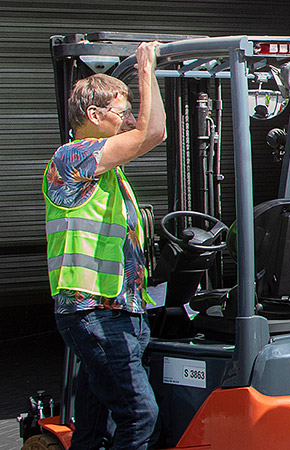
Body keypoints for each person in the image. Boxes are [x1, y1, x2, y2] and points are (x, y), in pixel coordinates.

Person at [45, 41, 165, 450]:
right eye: (121, 111)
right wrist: (146, 70)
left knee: (96, 427)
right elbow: (151, 132)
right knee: (140, 418)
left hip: (119, 308)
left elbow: (153, 131)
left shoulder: (108, 175)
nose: (129, 119)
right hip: (95, 310)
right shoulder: (72, 158)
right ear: (94, 115)